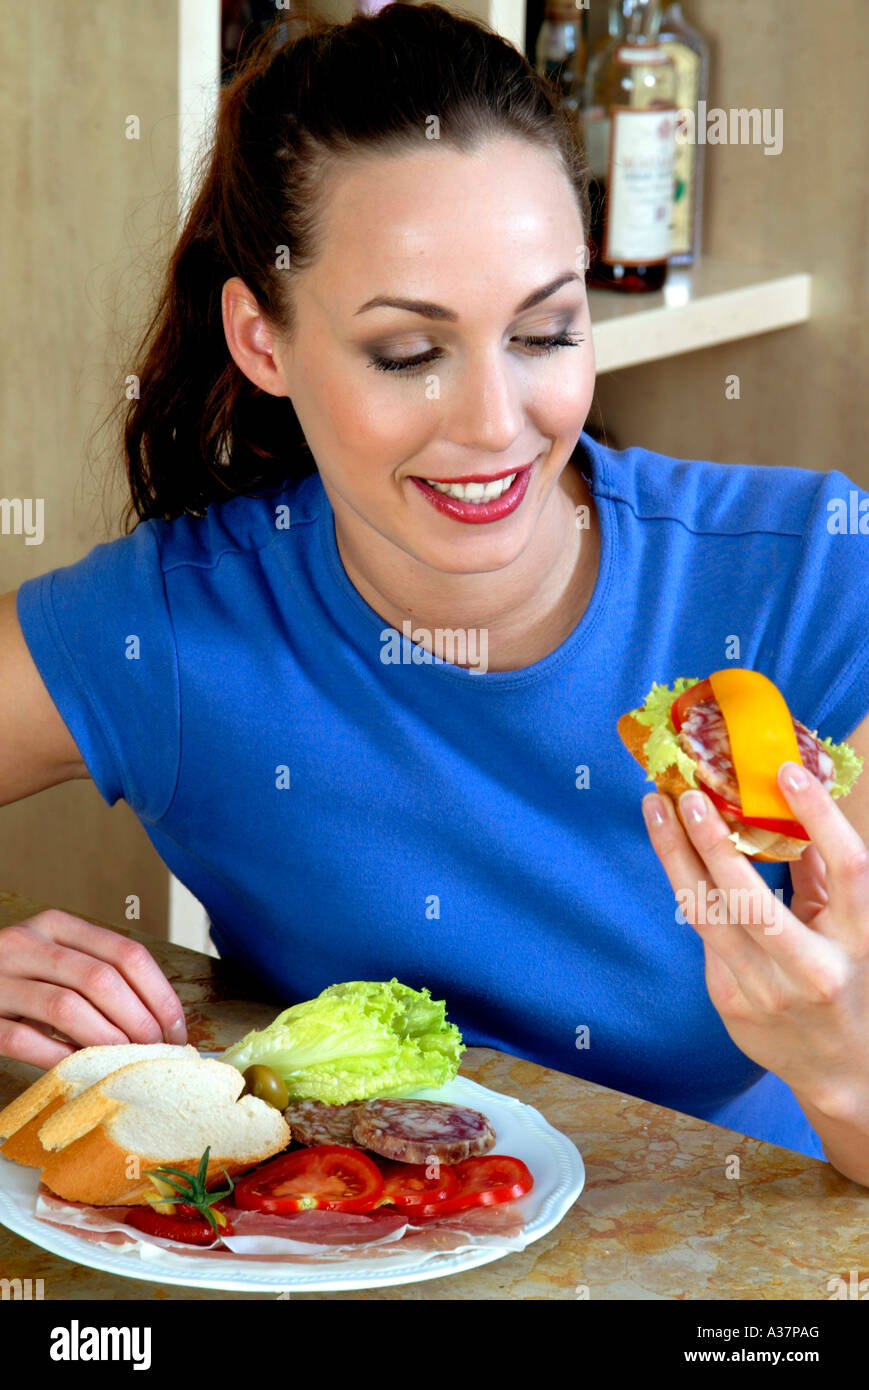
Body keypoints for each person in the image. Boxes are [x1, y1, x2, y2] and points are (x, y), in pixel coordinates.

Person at [2, 3, 869, 1184]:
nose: (494, 424)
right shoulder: (175, 625)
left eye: (547, 331)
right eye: (407, 354)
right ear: (262, 340)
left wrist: (837, 1062)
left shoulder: (811, 573)